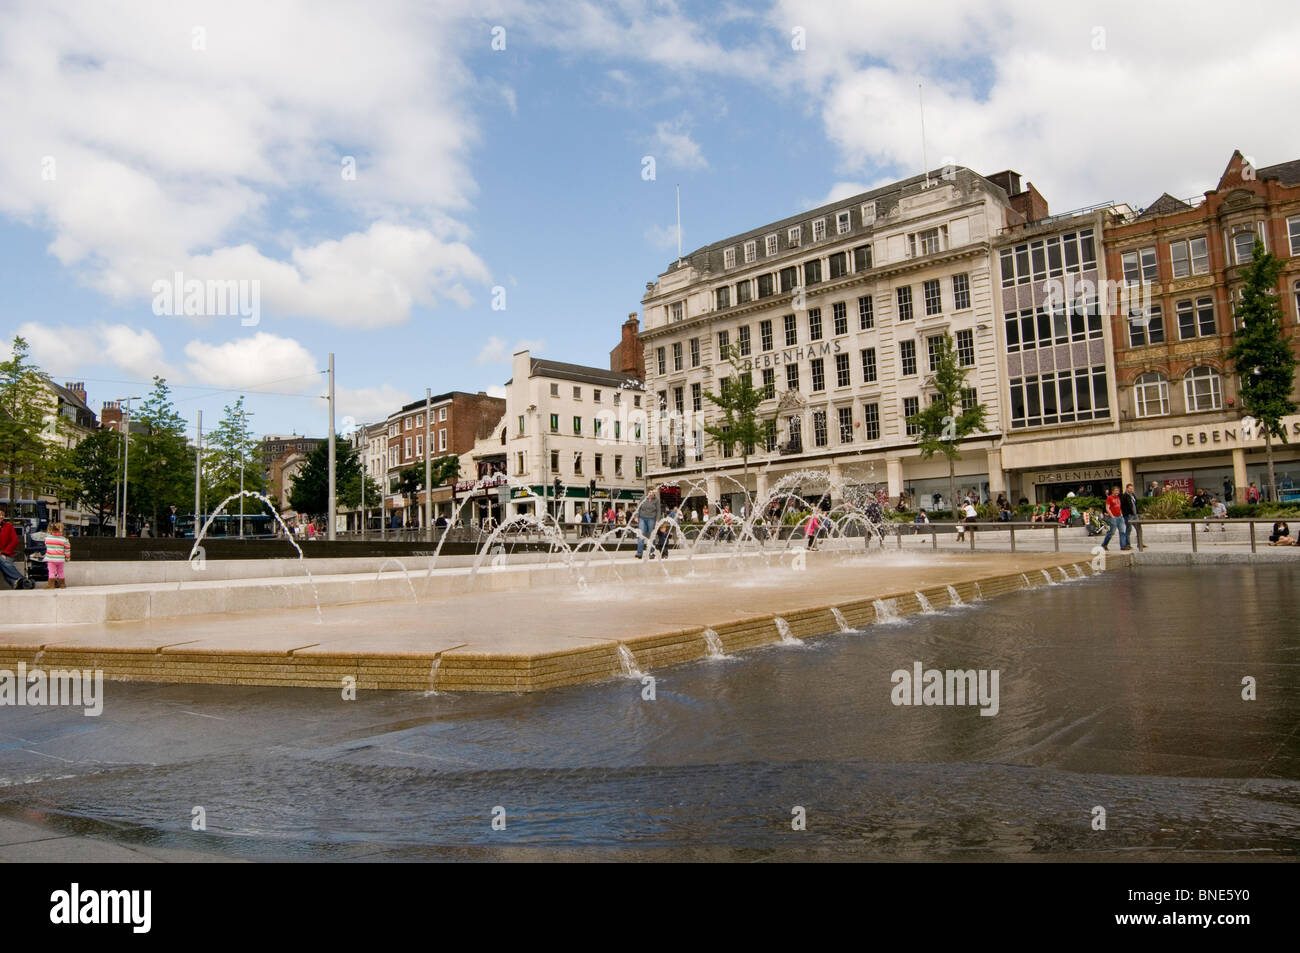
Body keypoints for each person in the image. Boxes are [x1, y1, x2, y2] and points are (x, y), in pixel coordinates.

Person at [0, 507, 27, 590]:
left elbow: (14, 541)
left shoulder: (8, 526)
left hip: (7, 553)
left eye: (2, 515)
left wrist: (5, 553)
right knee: (4, 563)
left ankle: (17, 583)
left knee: (5, 564)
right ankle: (22, 580)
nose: (1, 516)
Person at [634, 488, 661, 558]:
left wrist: (657, 520)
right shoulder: (643, 498)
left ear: (654, 493)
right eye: (649, 493)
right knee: (641, 534)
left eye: (652, 493)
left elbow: (658, 511)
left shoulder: (656, 500)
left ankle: (651, 553)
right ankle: (639, 553)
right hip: (642, 518)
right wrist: (636, 516)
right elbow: (638, 508)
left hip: (652, 519)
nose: (651, 494)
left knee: (651, 535)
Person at [43, 521, 70, 589]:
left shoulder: (48, 538)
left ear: (52, 530)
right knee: (60, 572)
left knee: (51, 572)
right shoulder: (64, 540)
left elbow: (46, 544)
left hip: (51, 559)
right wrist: (67, 558)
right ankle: (62, 584)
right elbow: (67, 550)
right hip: (60, 559)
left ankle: (51, 585)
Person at [1100, 486, 1126, 550]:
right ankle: (1104, 544)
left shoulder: (1118, 498)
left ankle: (1123, 546)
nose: (1117, 492)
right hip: (1113, 517)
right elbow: (1107, 508)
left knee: (1122, 531)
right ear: (1113, 491)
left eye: (1118, 491)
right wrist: (1112, 516)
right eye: (1116, 491)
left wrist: (1121, 514)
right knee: (1111, 532)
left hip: (1120, 516)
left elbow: (1119, 507)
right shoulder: (1109, 498)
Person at [1120, 483, 1139, 550]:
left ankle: (1140, 543)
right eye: (1130, 489)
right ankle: (1128, 544)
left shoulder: (1133, 495)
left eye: (1132, 489)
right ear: (1127, 488)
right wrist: (1127, 514)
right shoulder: (1124, 496)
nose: (1131, 490)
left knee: (1138, 529)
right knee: (1129, 529)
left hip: (1135, 514)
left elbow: (1135, 504)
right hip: (1128, 515)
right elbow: (1123, 506)